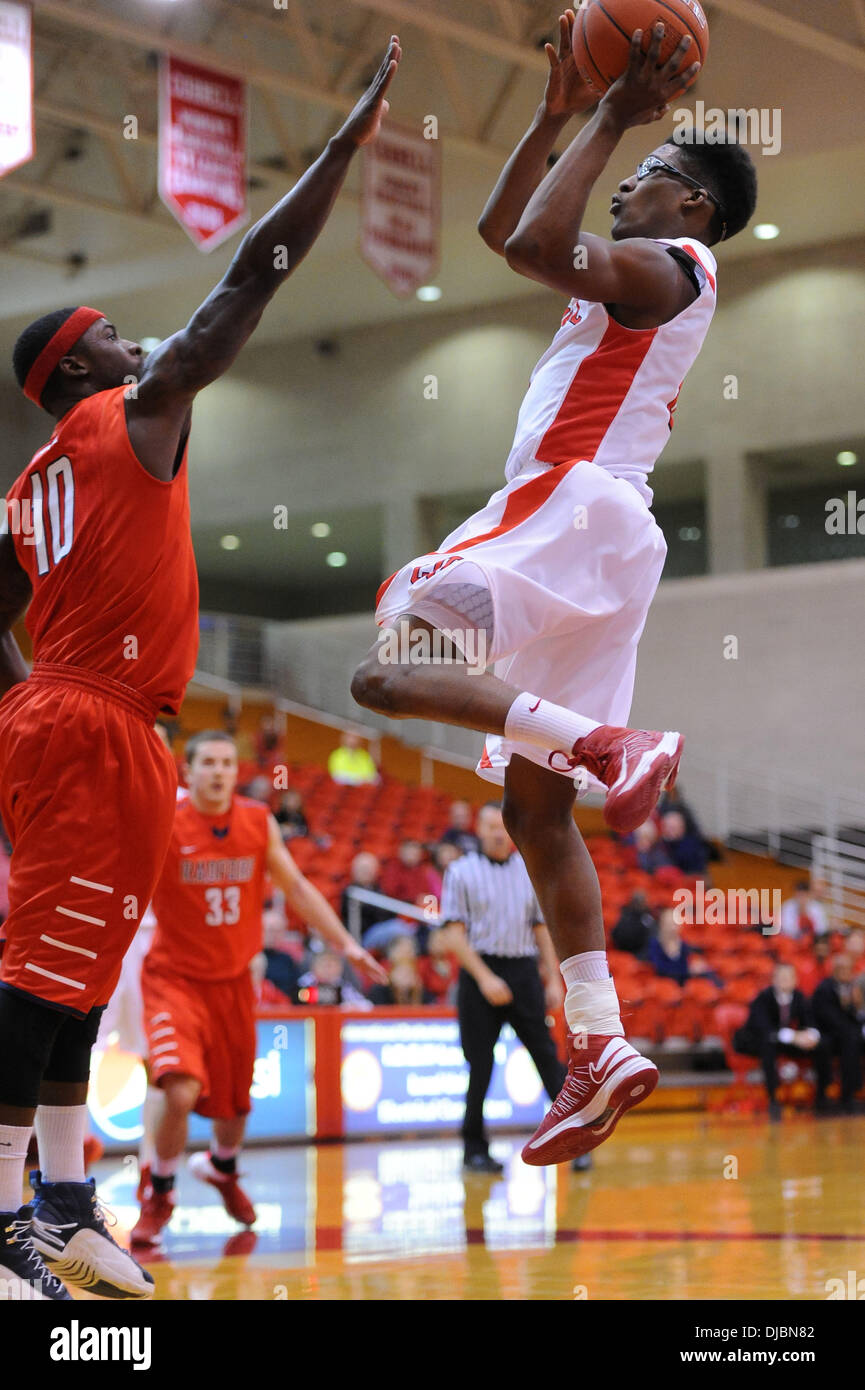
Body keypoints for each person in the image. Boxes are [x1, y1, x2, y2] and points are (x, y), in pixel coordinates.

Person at [0, 34, 400, 1300]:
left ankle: (64, 1203)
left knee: (74, 985)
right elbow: (248, 282)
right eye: (118, 335)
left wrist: (25, 696)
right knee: (34, 976)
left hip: (84, 716)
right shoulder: (129, 416)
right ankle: (5, 1219)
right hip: (89, 718)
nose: (142, 344)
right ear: (77, 368)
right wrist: (338, 151)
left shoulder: (28, 486)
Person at [351, 13, 757, 1165]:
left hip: (566, 504)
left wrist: (615, 111)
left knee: (388, 665)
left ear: (695, 209)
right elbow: (503, 228)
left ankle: (610, 745)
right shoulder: (637, 272)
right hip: (604, 538)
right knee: (532, 814)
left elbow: (534, 243)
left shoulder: (672, 269)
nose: (625, 187)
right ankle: (598, 1038)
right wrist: (554, 115)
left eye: (648, 177)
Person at [131, 732, 385, 1246]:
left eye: (227, 761)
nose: (219, 771)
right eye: (208, 763)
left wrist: (346, 944)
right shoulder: (164, 822)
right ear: (190, 771)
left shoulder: (256, 820)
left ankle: (223, 1169)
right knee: (179, 1087)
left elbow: (296, 887)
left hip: (233, 982)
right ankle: (159, 1192)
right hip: (174, 978)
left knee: (233, 1107)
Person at [434, 803, 590, 1174]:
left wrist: (552, 978)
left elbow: (541, 928)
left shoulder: (529, 869)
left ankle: (576, 1141)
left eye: (501, 826)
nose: (496, 832)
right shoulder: (460, 872)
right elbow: (452, 936)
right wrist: (486, 977)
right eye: (489, 826)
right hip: (479, 971)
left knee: (546, 1058)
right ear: (478, 829)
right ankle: (474, 1149)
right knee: (480, 1065)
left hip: (522, 972)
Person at [733, 963, 831, 1120]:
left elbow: (810, 1021)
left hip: (787, 1042)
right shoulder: (762, 998)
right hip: (760, 1041)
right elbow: (763, 1028)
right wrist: (794, 1037)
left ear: (795, 980)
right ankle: (773, 1098)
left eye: (789, 977)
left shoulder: (799, 997)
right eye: (781, 977)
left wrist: (810, 1036)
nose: (785, 981)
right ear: (774, 980)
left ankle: (822, 1097)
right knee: (768, 1048)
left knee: (822, 1046)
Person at [811, 955, 865, 1113]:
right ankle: (834, 1095)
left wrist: (856, 1006)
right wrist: (847, 1007)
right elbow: (826, 1018)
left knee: (853, 1041)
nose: (846, 973)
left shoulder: (855, 988)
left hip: (850, 1036)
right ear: (834, 970)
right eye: (842, 969)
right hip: (828, 1034)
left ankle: (853, 1092)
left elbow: (858, 1017)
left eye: (849, 969)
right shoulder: (824, 988)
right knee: (847, 1043)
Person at [611, 891, 657, 955]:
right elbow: (618, 936)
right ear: (632, 902)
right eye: (637, 901)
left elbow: (654, 935)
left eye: (642, 901)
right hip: (628, 952)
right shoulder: (625, 916)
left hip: (646, 953)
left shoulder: (649, 916)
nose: (640, 904)